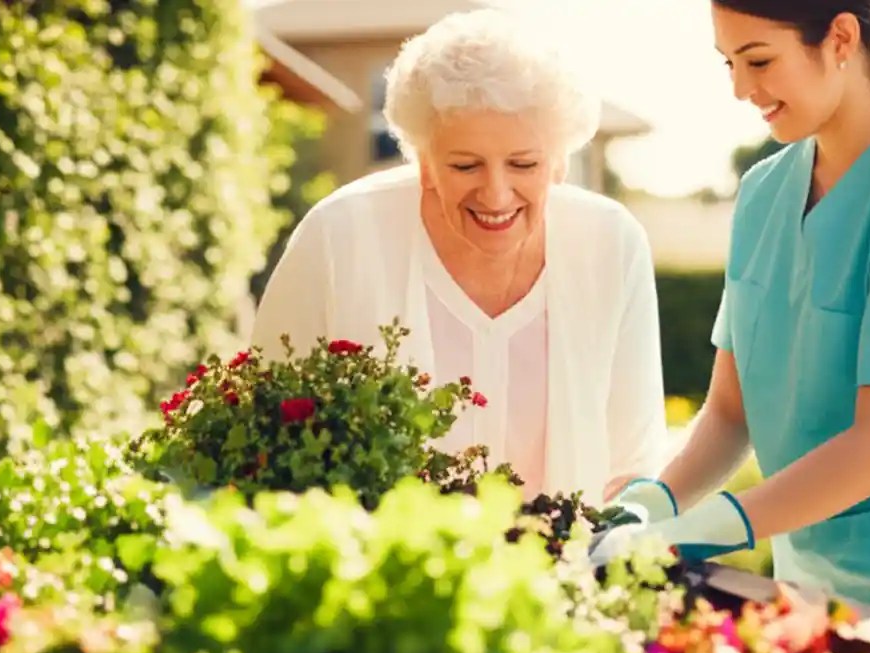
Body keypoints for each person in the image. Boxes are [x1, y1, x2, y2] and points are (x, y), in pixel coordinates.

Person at [592, 1, 870, 647]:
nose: (741, 89)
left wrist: (694, 532)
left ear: (840, 38)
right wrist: (651, 505)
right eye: (729, 63)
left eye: (759, 60)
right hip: (806, 591)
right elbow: (729, 412)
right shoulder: (764, 191)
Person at [250, 9, 668, 502]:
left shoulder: (611, 244)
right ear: (424, 162)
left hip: (568, 570)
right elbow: (266, 439)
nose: (496, 194)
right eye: (465, 165)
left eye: (523, 164)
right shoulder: (339, 235)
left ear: (559, 162)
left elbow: (633, 464)